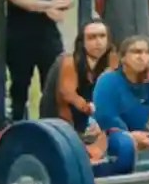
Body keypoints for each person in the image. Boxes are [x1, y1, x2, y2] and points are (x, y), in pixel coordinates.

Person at [1, 0, 72, 123]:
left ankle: (50, 128)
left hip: (48, 37)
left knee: (53, 86)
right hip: (19, 37)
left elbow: (60, 9)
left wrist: (47, 6)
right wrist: (49, 4)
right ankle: (14, 127)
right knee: (19, 86)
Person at [39, 19, 116, 161]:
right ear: (82, 42)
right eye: (92, 37)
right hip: (61, 118)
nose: (98, 42)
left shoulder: (112, 60)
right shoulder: (70, 62)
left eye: (102, 36)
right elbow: (66, 96)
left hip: (89, 121)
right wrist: (89, 109)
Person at [93, 35, 149, 153]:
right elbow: (106, 117)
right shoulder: (107, 81)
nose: (142, 57)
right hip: (115, 144)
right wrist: (130, 136)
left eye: (147, 53)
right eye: (136, 52)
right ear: (122, 57)